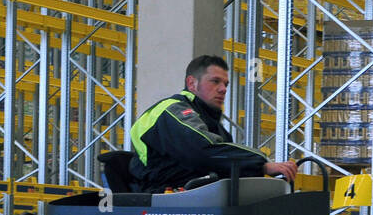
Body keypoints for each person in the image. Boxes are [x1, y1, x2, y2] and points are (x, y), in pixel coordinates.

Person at [127, 55, 298, 193]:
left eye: (226, 84)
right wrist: (262, 164)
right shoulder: (171, 111)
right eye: (215, 81)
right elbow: (202, 152)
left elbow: (222, 165)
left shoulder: (214, 126)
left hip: (191, 198)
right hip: (160, 199)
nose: (223, 89)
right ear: (192, 83)